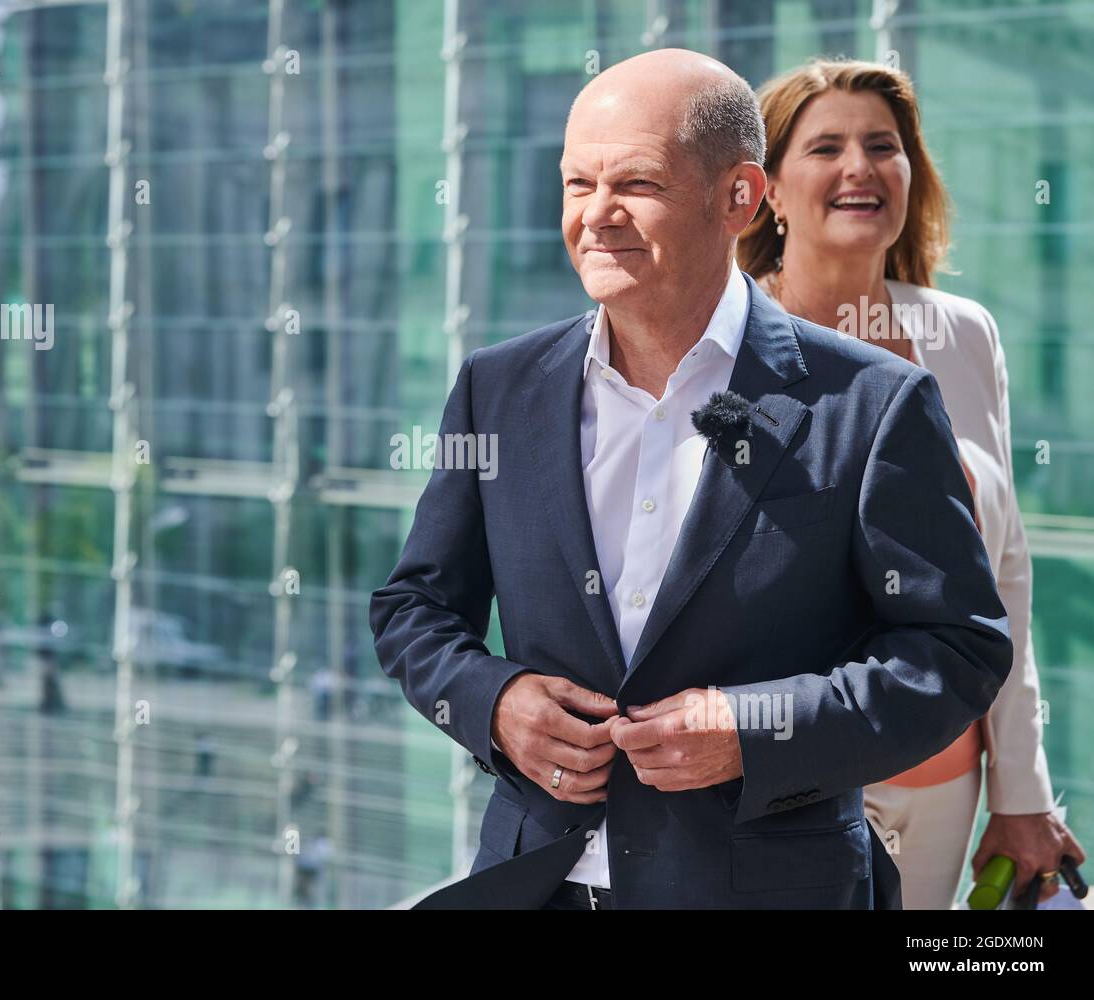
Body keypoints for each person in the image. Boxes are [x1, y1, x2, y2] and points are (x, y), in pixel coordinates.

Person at [369, 48, 1011, 909]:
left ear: (739, 197)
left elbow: (958, 651)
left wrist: (757, 730)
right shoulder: (497, 387)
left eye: (635, 183)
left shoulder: (873, 402)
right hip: (537, 885)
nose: (596, 216)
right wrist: (495, 702)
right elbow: (413, 608)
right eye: (575, 185)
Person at [739, 57, 1085, 908]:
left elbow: (1002, 583)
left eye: (881, 145)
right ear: (771, 191)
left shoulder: (961, 334)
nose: (859, 166)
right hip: (788, 790)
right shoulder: (726, 349)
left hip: (943, 788)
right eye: (825, 147)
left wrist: (1023, 794)